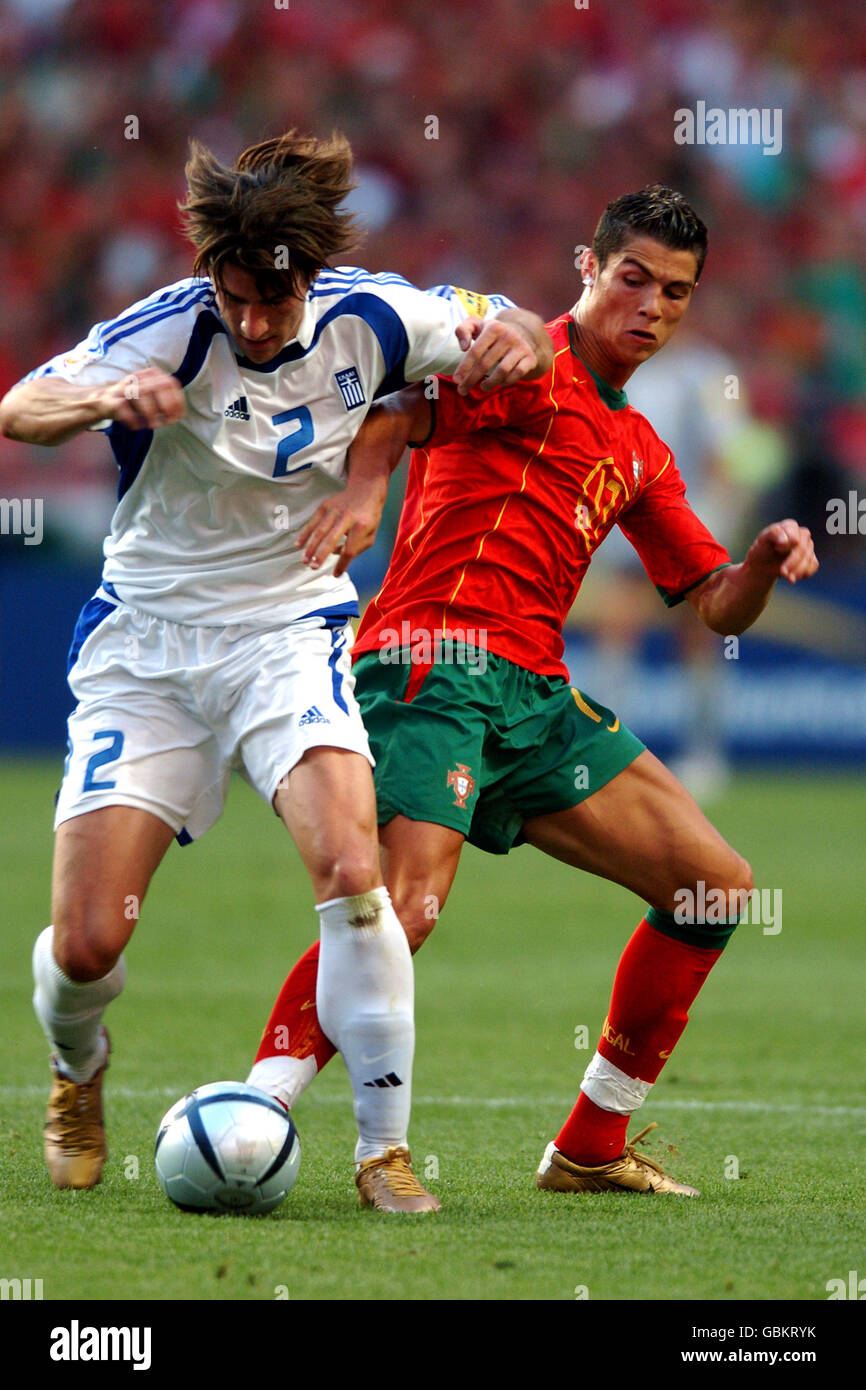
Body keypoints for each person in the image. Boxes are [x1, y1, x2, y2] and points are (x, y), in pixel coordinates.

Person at [0, 130, 552, 1212]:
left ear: (310, 274)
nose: (254, 322)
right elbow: (19, 408)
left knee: (353, 871)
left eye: (274, 301)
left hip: (286, 632)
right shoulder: (166, 328)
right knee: (87, 940)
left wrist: (513, 345)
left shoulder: (378, 314)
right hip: (147, 645)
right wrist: (106, 400)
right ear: (214, 276)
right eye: (237, 298)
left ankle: (380, 1150)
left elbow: (520, 326)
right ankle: (77, 1072)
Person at [247, 185, 818, 1197]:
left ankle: (590, 1144)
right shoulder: (526, 360)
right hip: (432, 663)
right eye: (631, 277)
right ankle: (258, 1112)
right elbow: (395, 411)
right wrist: (368, 488)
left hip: (534, 693)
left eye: (674, 293)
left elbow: (713, 604)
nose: (649, 305)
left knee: (711, 885)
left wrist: (765, 562)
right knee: (404, 907)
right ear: (586, 267)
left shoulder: (638, 447)